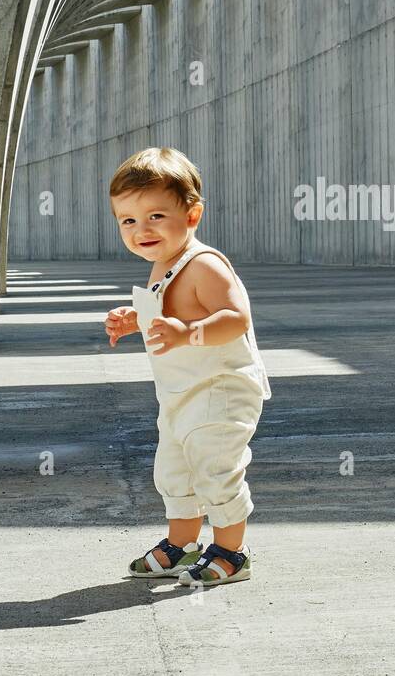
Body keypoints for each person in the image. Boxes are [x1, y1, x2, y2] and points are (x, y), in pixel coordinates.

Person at [103, 147, 271, 587]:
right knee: (174, 472)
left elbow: (235, 319)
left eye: (156, 216)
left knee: (216, 469)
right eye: (128, 220)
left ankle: (233, 552)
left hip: (221, 387)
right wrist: (135, 320)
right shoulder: (164, 265)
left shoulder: (205, 264)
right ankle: (182, 545)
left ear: (192, 215)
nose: (142, 230)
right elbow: (168, 314)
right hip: (179, 393)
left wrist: (185, 334)